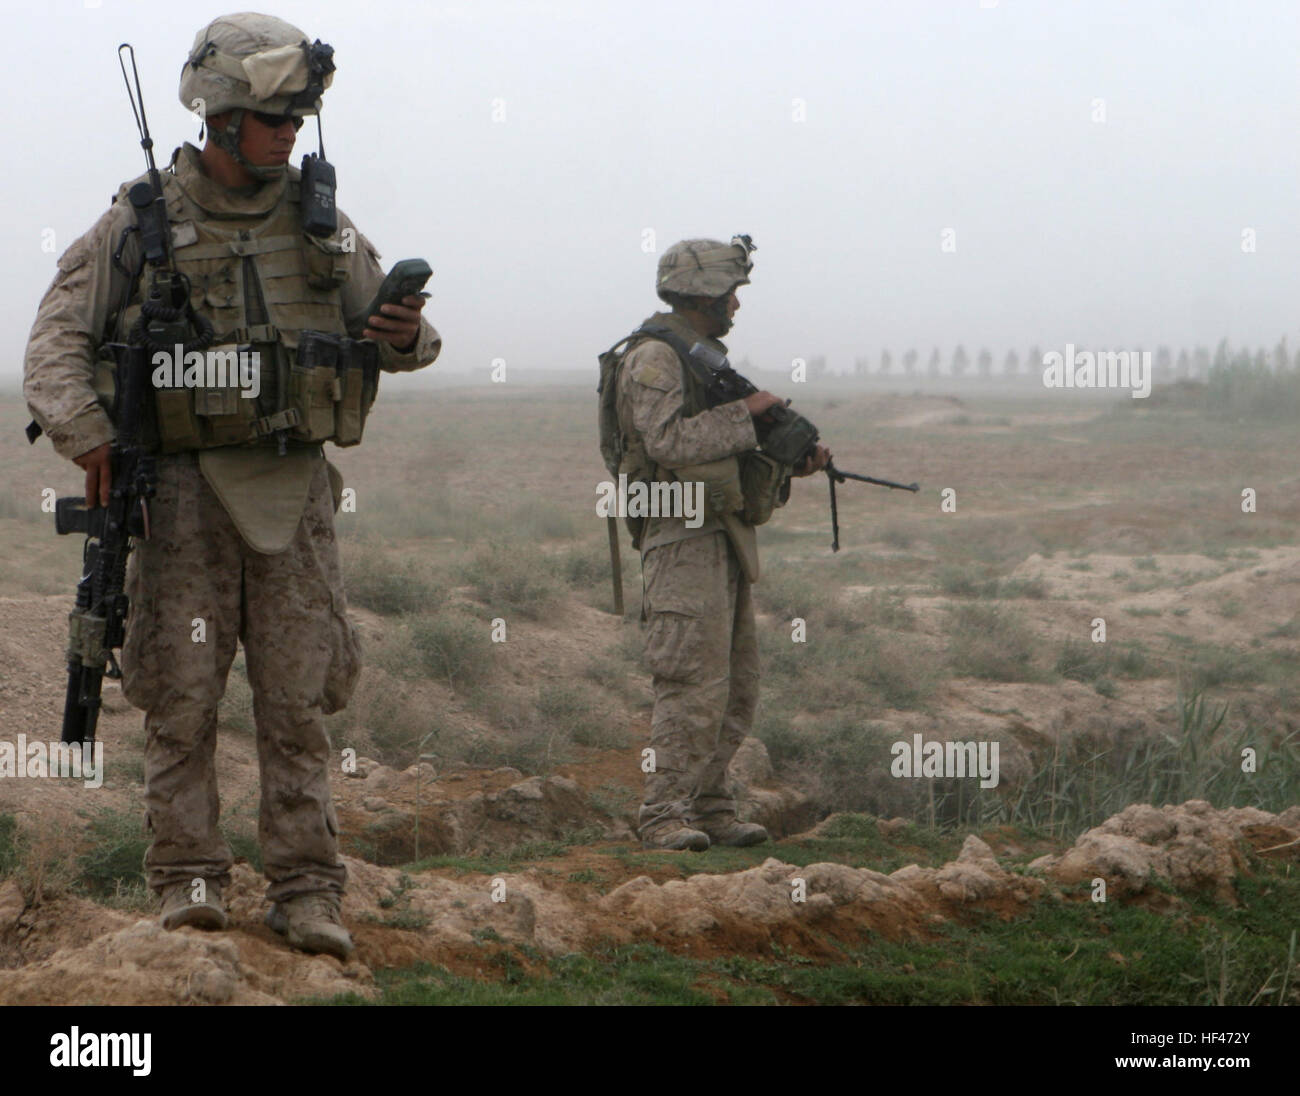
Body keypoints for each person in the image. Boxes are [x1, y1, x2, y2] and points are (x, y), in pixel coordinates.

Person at [22, 13, 440, 959]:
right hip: (178, 502)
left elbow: (404, 335)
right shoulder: (141, 218)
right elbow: (54, 345)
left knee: (297, 704)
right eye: (272, 115)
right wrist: (88, 437)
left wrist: (403, 335)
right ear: (218, 118)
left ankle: (306, 889)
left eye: (298, 116)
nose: (290, 132)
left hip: (292, 498)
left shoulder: (321, 219)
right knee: (182, 698)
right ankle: (187, 880)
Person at [608, 236, 830, 851]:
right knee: (689, 681)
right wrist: (748, 413)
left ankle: (709, 807)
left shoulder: (701, 357)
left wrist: (789, 461)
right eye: (731, 292)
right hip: (679, 536)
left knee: (736, 682)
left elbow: (718, 453)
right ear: (702, 291)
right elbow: (667, 442)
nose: (737, 304)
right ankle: (662, 815)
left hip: (719, 532)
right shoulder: (655, 356)